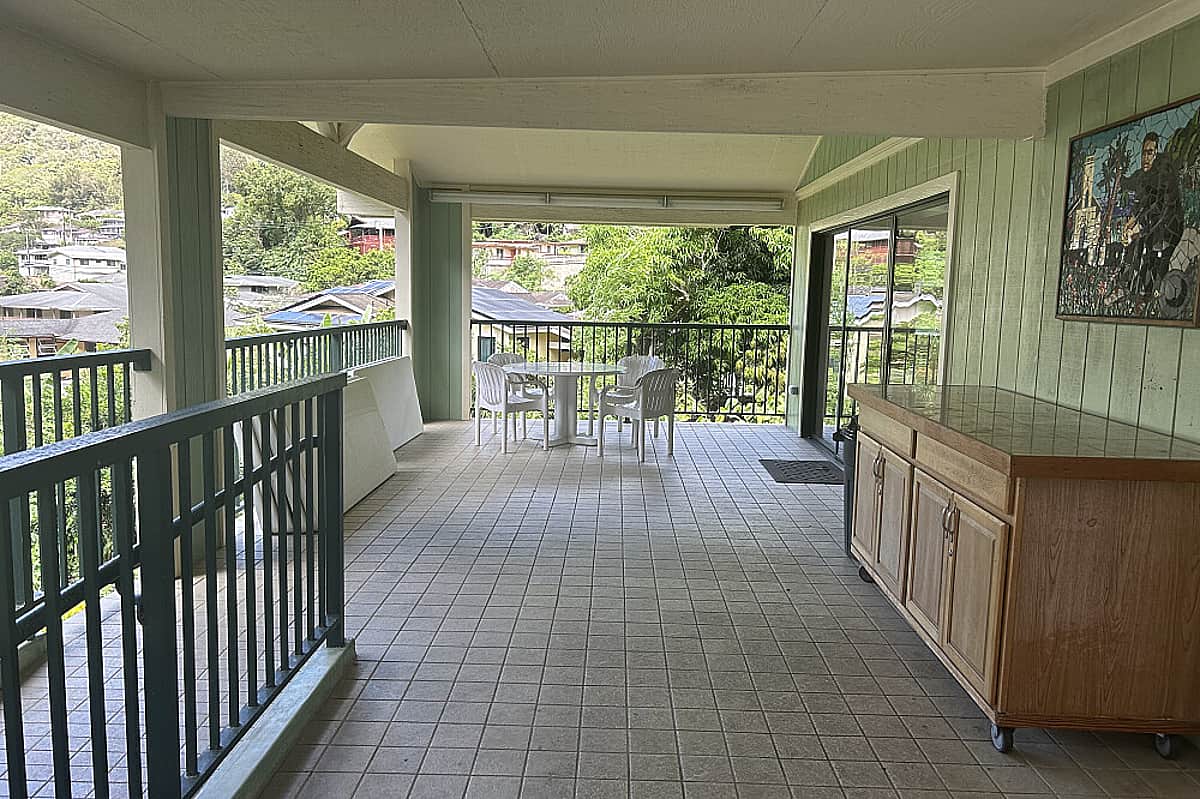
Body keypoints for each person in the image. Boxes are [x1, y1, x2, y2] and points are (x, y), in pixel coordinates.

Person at [1120, 131, 1184, 302]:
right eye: (1143, 153)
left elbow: (1159, 207)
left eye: (1150, 153)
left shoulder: (1164, 173)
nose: (1145, 158)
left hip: (1170, 226)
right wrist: (1131, 222)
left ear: (1157, 152)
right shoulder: (1146, 176)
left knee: (1154, 253)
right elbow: (1143, 201)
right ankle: (1132, 288)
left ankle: (1152, 293)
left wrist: (1138, 228)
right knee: (1142, 247)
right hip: (1155, 226)